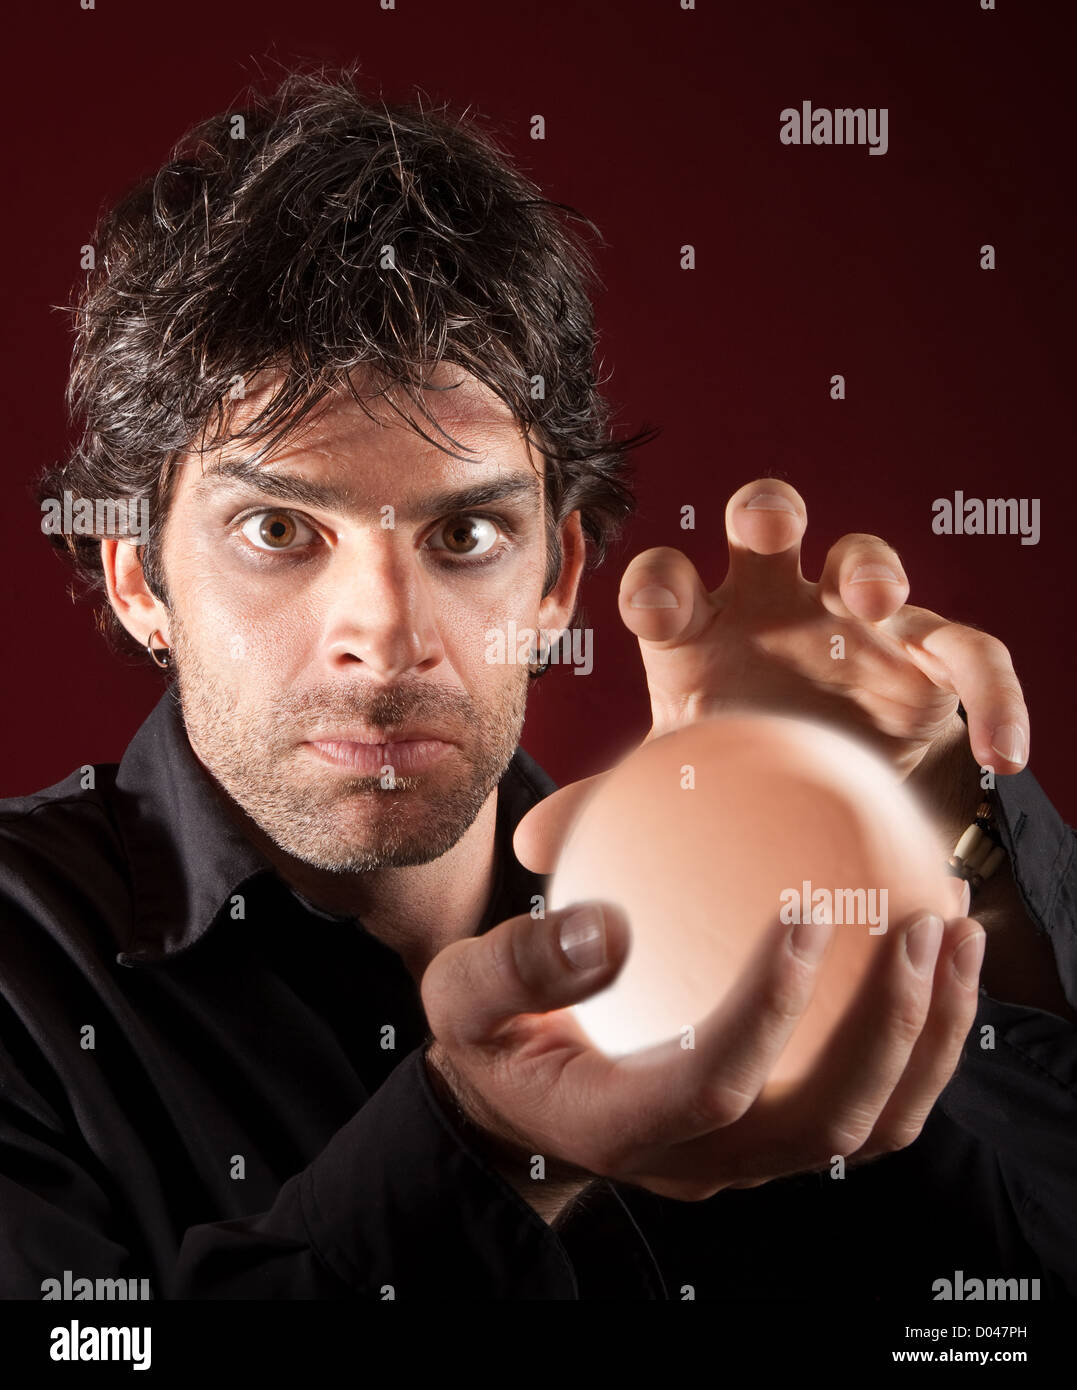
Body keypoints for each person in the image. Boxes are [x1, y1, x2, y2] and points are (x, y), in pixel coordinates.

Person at [2, 68, 1073, 1302]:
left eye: (463, 537)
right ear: (142, 581)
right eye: (280, 532)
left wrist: (954, 855)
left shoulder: (760, 930)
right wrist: (484, 1144)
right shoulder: (22, 978)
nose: (385, 635)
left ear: (558, 574)